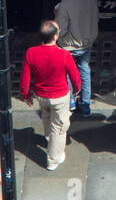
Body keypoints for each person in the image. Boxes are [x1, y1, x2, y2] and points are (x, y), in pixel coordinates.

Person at [21, 20, 81, 170]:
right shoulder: (64, 55)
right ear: (55, 36)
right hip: (60, 96)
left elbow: (25, 78)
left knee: (47, 116)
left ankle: (49, 139)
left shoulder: (31, 52)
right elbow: (75, 77)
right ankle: (53, 159)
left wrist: (26, 94)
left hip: (41, 95)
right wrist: (77, 90)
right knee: (59, 128)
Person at [55, 0, 99, 118]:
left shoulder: (65, 3)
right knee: (84, 69)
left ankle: (71, 102)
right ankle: (85, 104)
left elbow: (60, 29)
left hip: (69, 45)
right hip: (87, 42)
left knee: (67, 72)